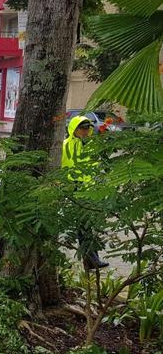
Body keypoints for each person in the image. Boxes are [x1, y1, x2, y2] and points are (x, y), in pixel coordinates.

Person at [61, 115, 108, 269]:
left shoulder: (92, 145)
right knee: (84, 226)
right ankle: (92, 259)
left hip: (90, 190)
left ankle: (91, 260)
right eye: (82, 128)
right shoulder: (65, 145)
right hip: (75, 189)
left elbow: (96, 165)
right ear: (74, 129)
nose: (86, 131)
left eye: (88, 128)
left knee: (88, 226)